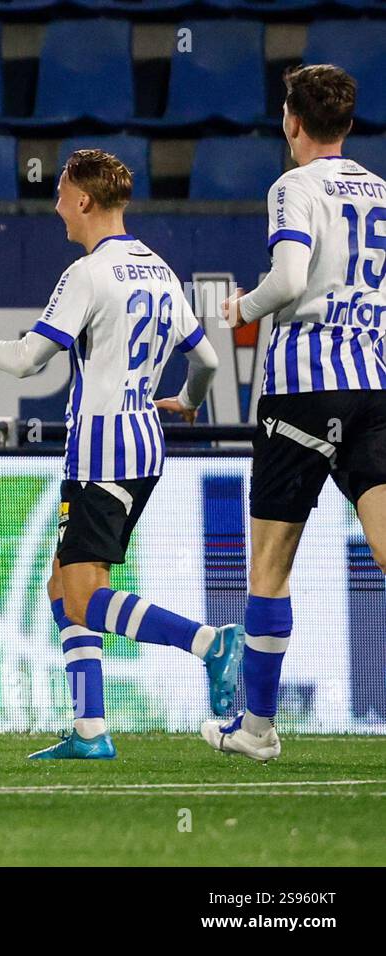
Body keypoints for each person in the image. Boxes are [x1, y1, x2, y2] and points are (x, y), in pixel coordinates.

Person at [0, 149, 241, 760]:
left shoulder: (88, 274)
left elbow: (23, 361)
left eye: (63, 193)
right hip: (144, 443)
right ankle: (91, 730)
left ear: (86, 201)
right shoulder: (159, 270)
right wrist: (187, 402)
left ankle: (210, 644)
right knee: (60, 586)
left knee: (82, 596)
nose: (57, 204)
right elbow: (209, 360)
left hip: (102, 451)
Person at [203, 65, 386, 761]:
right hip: (373, 389)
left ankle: (255, 730)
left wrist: (239, 309)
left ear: (292, 121)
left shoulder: (294, 187)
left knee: (270, 569)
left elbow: (287, 279)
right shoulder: (380, 191)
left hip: (303, 394)